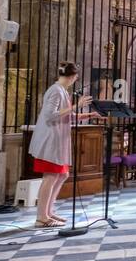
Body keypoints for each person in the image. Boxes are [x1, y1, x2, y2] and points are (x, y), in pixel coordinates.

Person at [28, 62, 98, 228]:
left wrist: (88, 115)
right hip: (50, 140)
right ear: (73, 77)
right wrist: (76, 105)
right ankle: (41, 218)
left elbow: (66, 115)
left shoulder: (62, 91)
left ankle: (48, 211)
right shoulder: (55, 91)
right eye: (76, 77)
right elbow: (50, 115)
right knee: (50, 176)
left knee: (62, 175)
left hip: (57, 140)